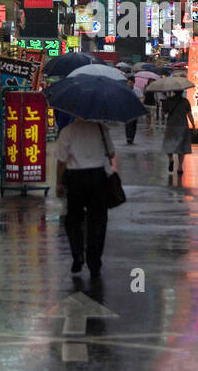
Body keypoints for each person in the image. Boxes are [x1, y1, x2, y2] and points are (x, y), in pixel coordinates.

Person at [55, 118, 115, 278]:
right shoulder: (102, 128)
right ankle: (94, 261)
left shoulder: (67, 131)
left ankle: (78, 255)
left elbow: (61, 161)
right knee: (98, 221)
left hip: (75, 179)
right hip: (98, 177)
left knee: (73, 220)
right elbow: (112, 153)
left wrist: (58, 183)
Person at [161, 89, 195, 176]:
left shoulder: (168, 100)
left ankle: (171, 159)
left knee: (169, 143)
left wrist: (164, 106)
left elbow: (163, 113)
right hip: (183, 125)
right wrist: (193, 126)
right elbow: (189, 114)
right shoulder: (185, 101)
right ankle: (180, 167)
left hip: (171, 125)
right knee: (182, 146)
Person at [124, 75, 144, 144]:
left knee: (133, 124)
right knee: (127, 123)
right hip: (127, 108)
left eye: (130, 83)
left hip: (135, 109)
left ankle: (132, 137)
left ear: (133, 83)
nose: (129, 84)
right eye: (128, 83)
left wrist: (139, 103)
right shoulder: (125, 89)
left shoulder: (137, 90)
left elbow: (141, 98)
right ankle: (128, 137)